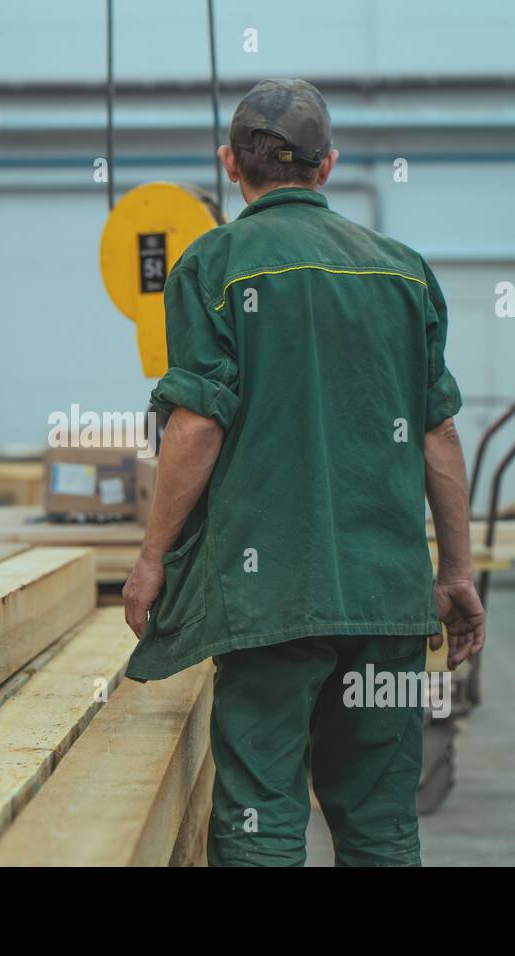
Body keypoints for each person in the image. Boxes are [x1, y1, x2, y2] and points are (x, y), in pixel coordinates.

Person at [121, 78, 485, 867]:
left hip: (272, 600)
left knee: (261, 819)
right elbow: (440, 431)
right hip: (387, 601)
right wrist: (454, 572)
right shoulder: (404, 272)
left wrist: (151, 559)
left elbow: (197, 423)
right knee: (383, 823)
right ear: (327, 168)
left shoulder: (212, 263)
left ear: (229, 165)